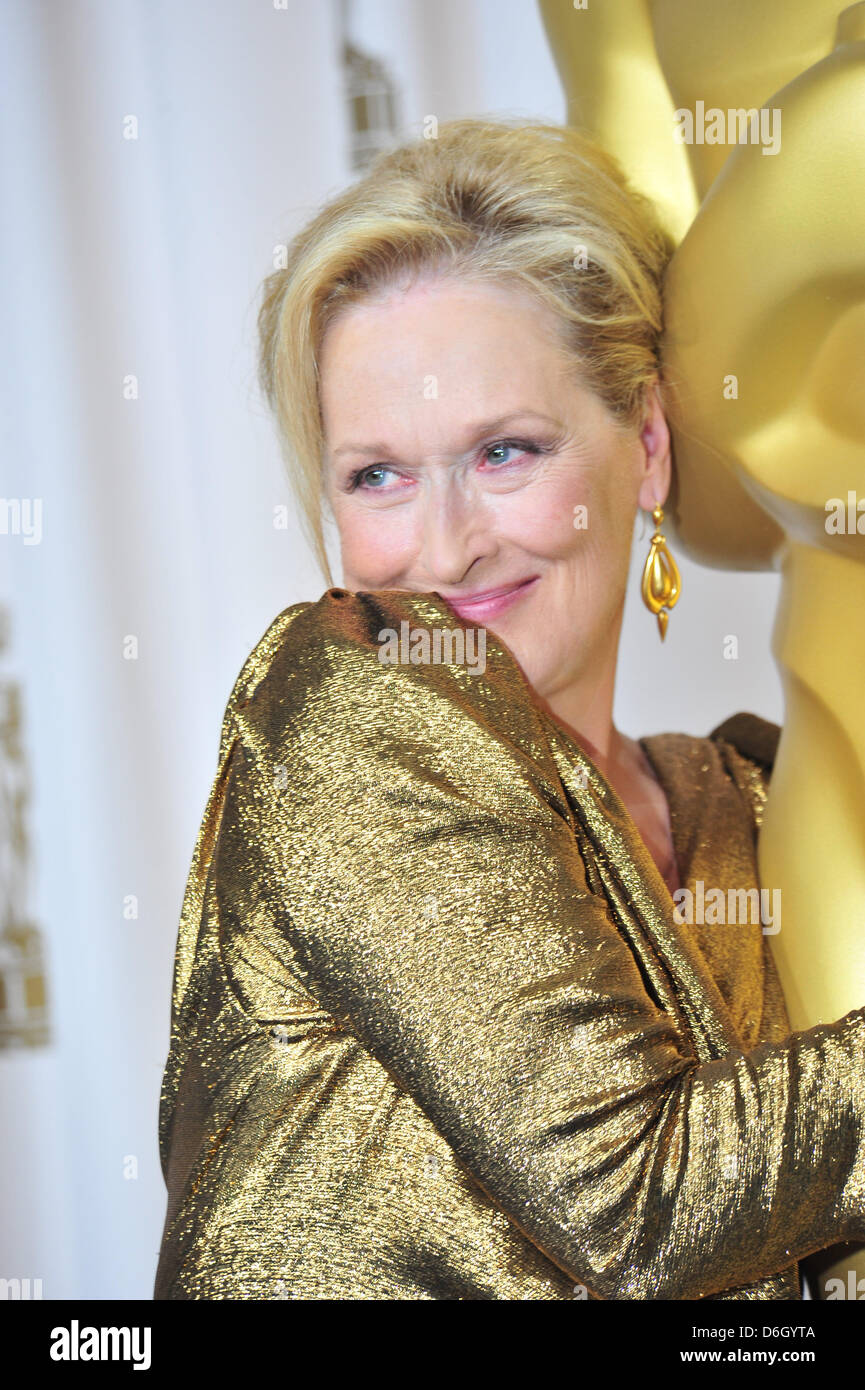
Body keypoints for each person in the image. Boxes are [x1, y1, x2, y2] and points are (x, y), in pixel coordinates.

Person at [153, 119, 865, 1300]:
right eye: (376, 473)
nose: (443, 545)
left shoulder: (746, 799)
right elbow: (636, 1202)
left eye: (505, 452)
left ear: (642, 446)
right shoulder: (347, 718)